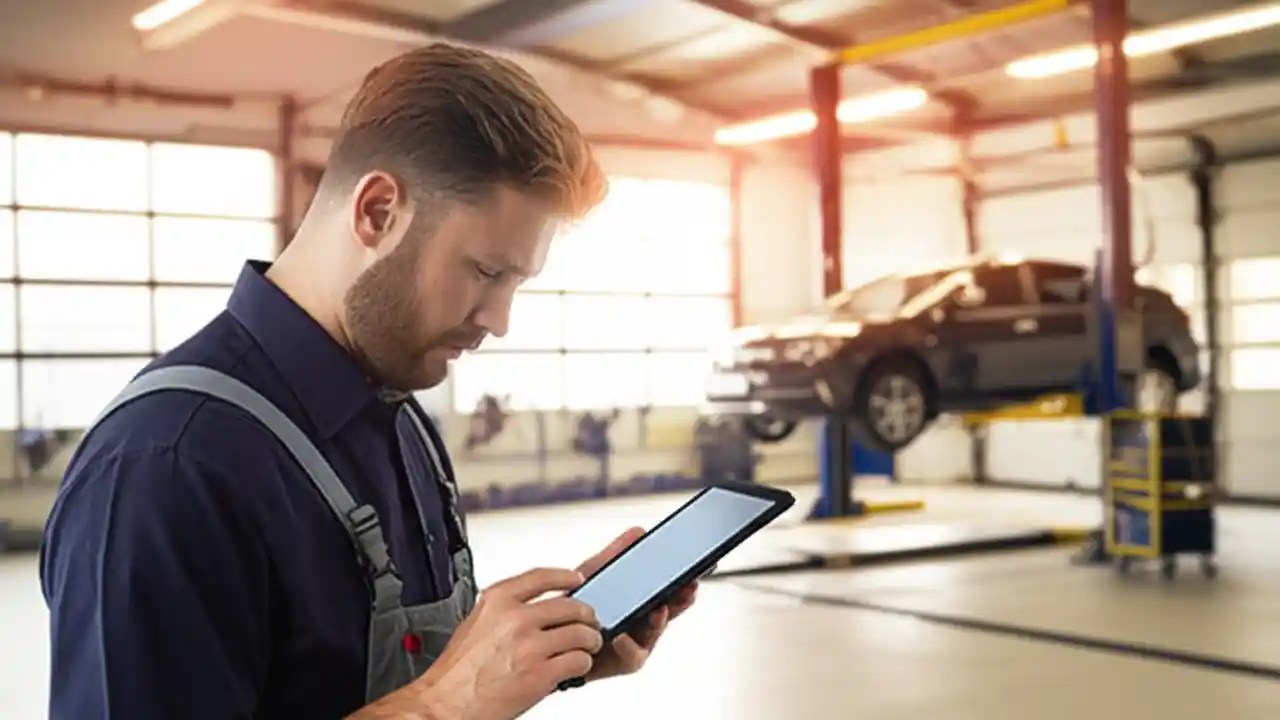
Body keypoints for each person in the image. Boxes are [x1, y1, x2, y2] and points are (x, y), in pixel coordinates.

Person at [40, 43, 698, 720]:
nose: (499, 320)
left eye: (517, 282)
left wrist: (538, 656)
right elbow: (430, 703)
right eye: (485, 272)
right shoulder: (167, 469)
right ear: (378, 212)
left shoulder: (400, 419)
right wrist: (442, 705)